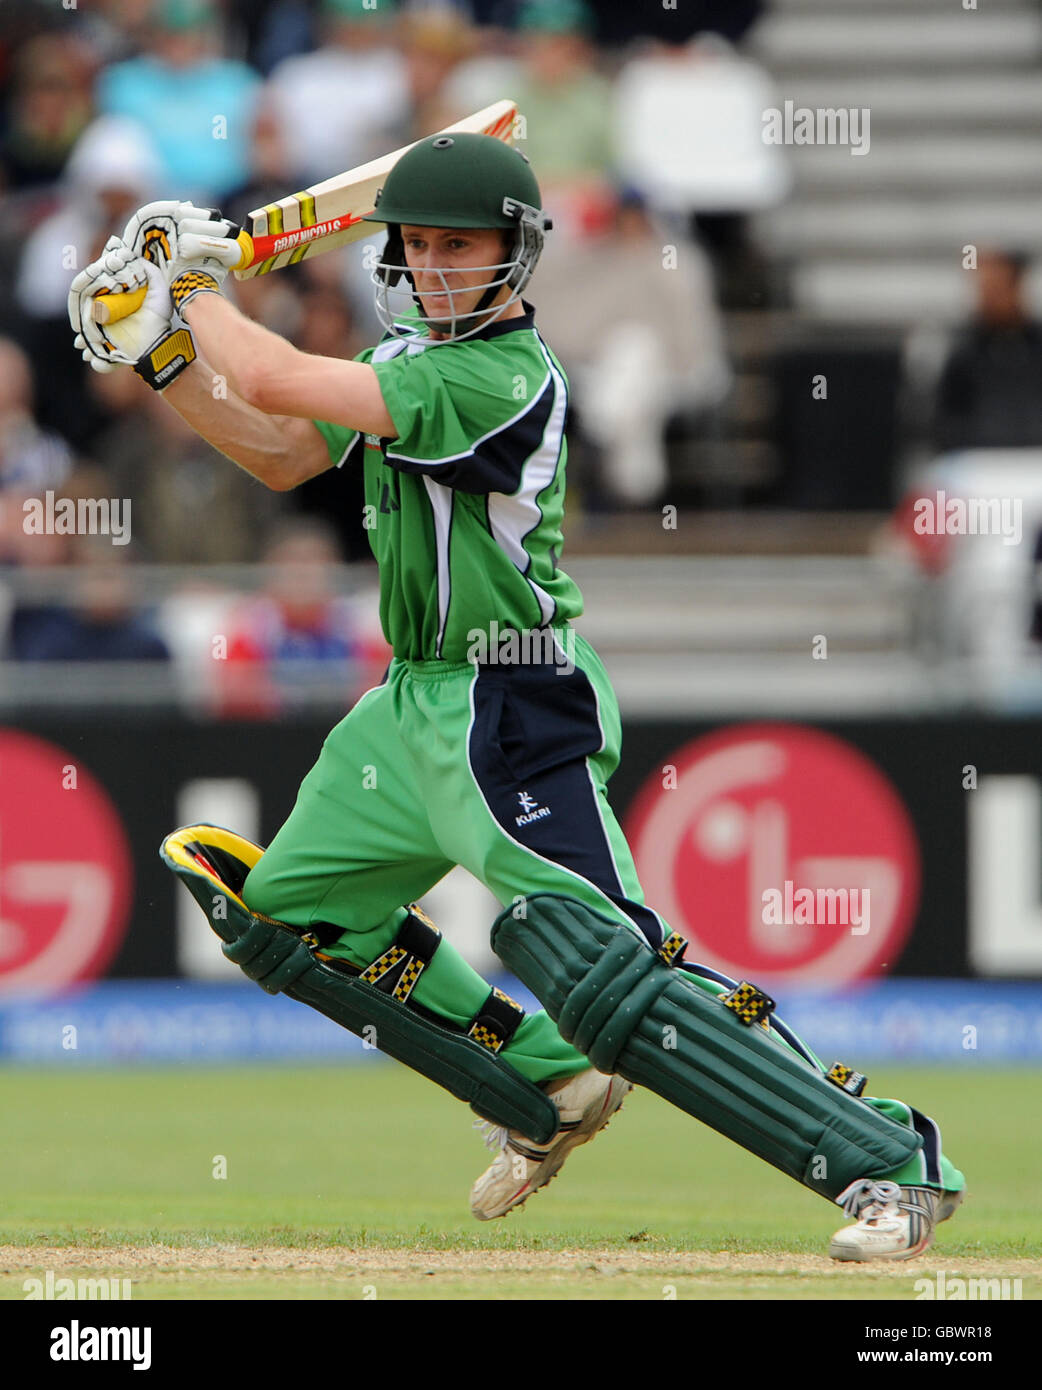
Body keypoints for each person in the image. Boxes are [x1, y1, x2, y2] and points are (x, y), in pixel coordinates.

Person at [67, 135, 966, 1260]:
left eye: (462, 246)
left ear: (517, 258)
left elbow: (281, 377)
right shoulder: (404, 359)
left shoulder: (494, 374)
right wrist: (163, 352)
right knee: (280, 916)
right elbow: (286, 450)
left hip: (510, 701)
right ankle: (547, 1088)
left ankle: (890, 1163)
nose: (436, 265)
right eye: (419, 244)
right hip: (404, 707)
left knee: (600, 967)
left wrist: (192, 290)